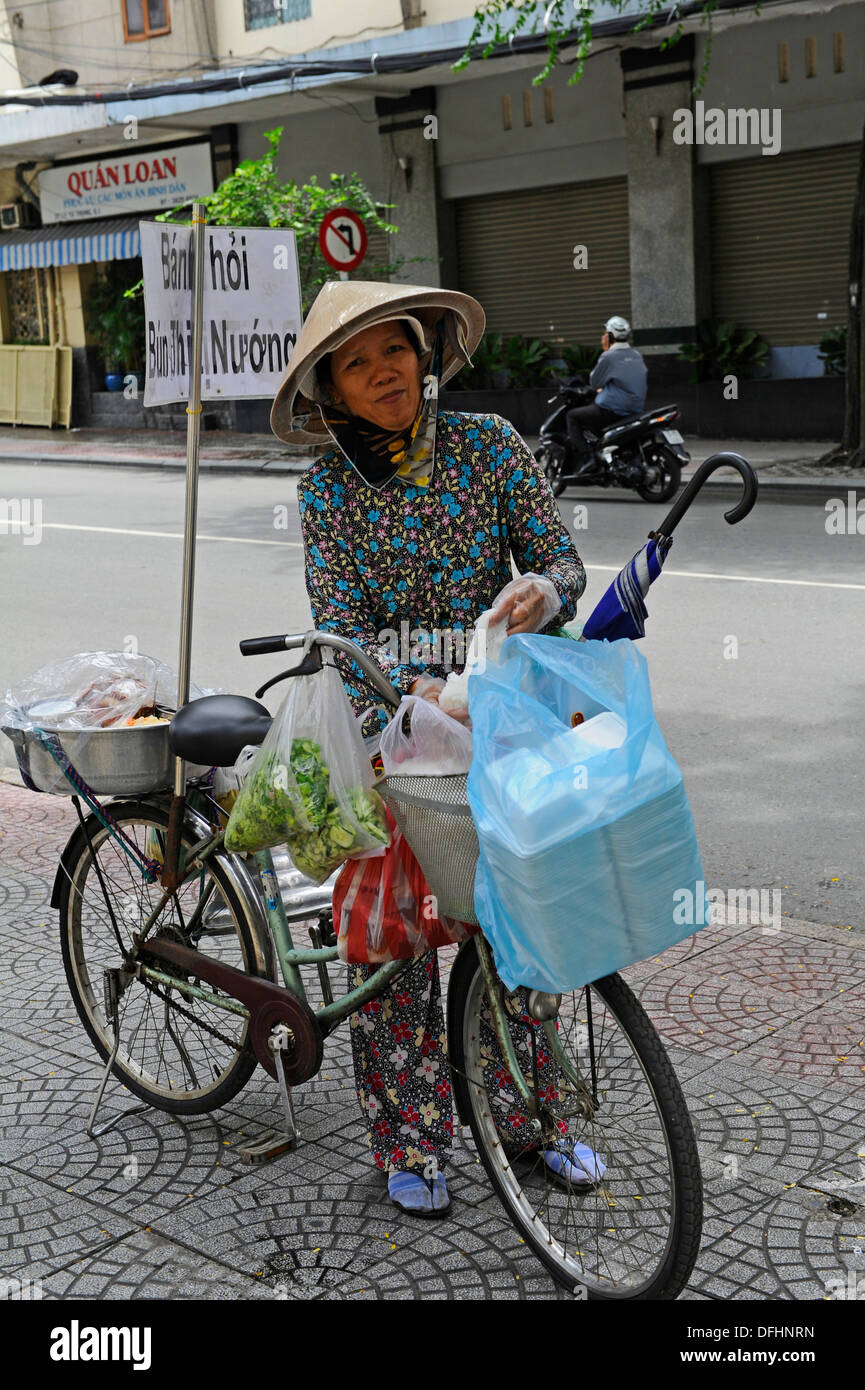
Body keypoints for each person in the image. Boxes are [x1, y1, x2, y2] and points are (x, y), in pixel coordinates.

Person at [271, 281, 605, 1217]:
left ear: (426, 355)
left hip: (500, 720)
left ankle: (536, 1120)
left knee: (518, 931)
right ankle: (410, 1141)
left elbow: (562, 562)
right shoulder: (327, 491)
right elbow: (338, 628)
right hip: (393, 734)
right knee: (395, 950)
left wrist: (540, 592)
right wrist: (405, 683)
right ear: (332, 390)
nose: (385, 373)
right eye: (357, 362)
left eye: (397, 351)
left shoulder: (490, 446)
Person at [565, 315, 648, 475]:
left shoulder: (609, 356)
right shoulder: (636, 355)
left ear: (610, 336)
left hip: (612, 410)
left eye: (605, 333)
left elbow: (595, 382)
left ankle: (590, 458)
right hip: (635, 409)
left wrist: (605, 351)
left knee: (572, 416)